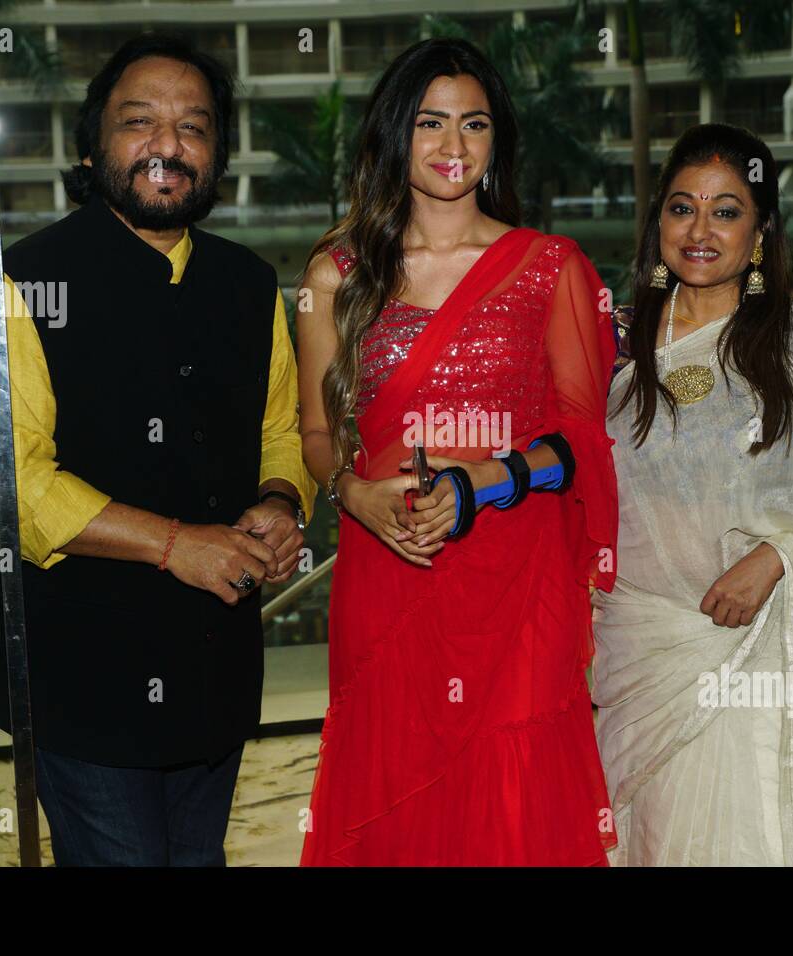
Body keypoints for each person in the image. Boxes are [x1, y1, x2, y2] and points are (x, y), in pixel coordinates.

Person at [0, 34, 316, 866]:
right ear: (92, 148)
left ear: (216, 154)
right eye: (139, 122)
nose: (169, 145)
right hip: (81, 674)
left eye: (193, 127)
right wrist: (172, 543)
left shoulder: (249, 282)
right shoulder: (13, 286)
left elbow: (280, 431)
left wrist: (277, 501)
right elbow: (5, 483)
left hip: (215, 668)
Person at [295, 38, 618, 865]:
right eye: (430, 122)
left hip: (517, 584)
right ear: (396, 134)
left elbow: (580, 444)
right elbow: (320, 438)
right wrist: (355, 496)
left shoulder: (551, 268)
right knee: (399, 798)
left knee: (512, 808)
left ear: (495, 140)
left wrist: (488, 480)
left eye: (473, 124)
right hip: (391, 569)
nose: (453, 145)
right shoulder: (336, 277)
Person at [594, 124, 793, 866]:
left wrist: (778, 555)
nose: (700, 229)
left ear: (761, 231)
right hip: (642, 651)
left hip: (763, 652)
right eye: (681, 207)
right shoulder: (613, 343)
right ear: (658, 224)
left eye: (726, 210)